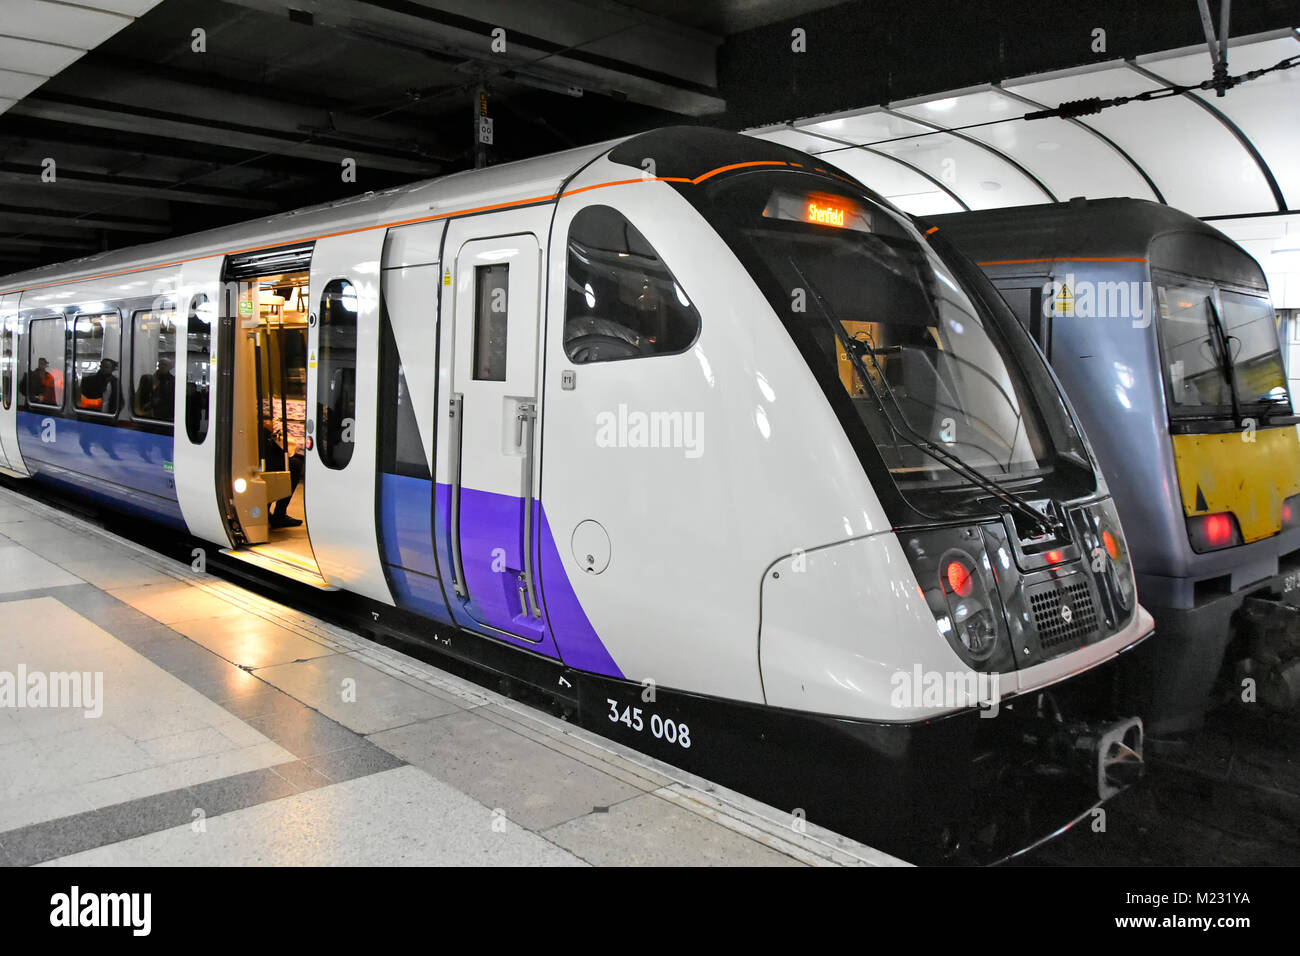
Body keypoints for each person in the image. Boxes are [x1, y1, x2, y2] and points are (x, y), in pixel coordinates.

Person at [261, 420, 304, 528]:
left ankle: (270, 511)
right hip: (260, 458)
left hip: (264, 454)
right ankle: (279, 514)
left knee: (294, 462)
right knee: (294, 465)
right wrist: (266, 429)